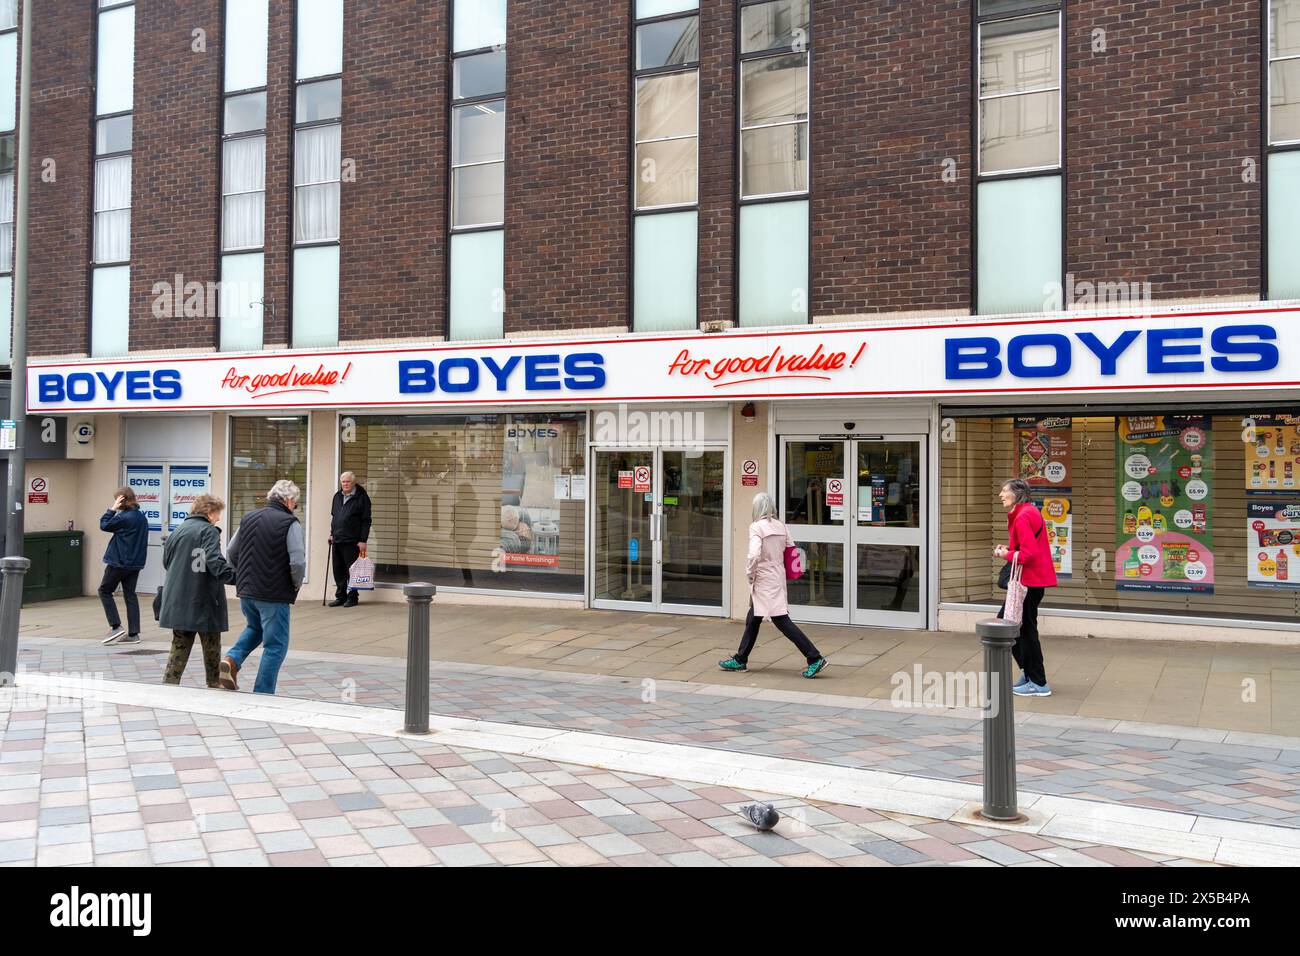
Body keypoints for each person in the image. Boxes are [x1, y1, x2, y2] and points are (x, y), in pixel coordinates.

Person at [719, 492, 828, 678]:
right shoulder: (781, 526)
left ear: (756, 508)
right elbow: (792, 550)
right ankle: (740, 658)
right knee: (753, 618)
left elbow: (754, 555)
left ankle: (814, 657)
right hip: (777, 575)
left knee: (781, 620)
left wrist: (750, 574)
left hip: (763, 577)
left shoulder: (756, 527)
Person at [219, 480, 305, 694]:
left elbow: (230, 551)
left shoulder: (248, 518)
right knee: (275, 645)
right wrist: (295, 585)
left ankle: (232, 659)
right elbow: (297, 561)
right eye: (295, 503)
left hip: (247, 590)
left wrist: (242, 574)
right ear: (289, 500)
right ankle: (263, 692)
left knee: (255, 628)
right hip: (274, 593)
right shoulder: (289, 523)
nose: (295, 507)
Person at [159, 495, 235, 687]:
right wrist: (237, 578)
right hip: (203, 596)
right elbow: (215, 562)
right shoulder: (208, 531)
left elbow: (166, 563)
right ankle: (214, 681)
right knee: (211, 641)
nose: (218, 518)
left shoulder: (177, 531)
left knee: (180, 643)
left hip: (177, 596)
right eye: (217, 513)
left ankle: (170, 682)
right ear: (209, 512)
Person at [995, 478, 1058, 697]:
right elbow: (1027, 547)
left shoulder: (1023, 516)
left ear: (1017, 494)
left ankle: (1038, 682)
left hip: (1028, 582)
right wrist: (1009, 549)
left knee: (1016, 629)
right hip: (1032, 581)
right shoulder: (1028, 512)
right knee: (1017, 628)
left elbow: (1029, 554)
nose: (1001, 495)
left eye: (1005, 491)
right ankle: (1029, 675)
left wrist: (1006, 554)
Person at [99, 487, 150, 645]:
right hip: (135, 564)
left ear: (122, 500)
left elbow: (104, 525)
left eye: (117, 500)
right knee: (130, 595)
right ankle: (133, 633)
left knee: (104, 590)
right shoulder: (142, 518)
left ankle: (115, 626)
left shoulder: (123, 517)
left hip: (119, 562)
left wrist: (112, 509)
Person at [328, 471, 372, 607]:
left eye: (348, 482)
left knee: (351, 570)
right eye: (343, 482)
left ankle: (353, 597)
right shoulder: (337, 496)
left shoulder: (362, 498)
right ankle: (341, 596)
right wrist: (331, 533)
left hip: (352, 541)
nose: (345, 484)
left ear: (353, 483)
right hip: (337, 539)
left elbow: (366, 521)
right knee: (338, 570)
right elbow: (335, 517)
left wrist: (363, 540)